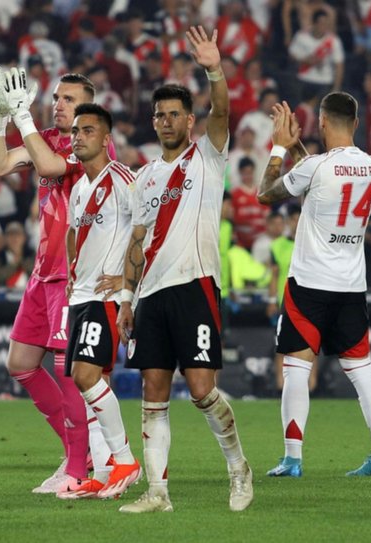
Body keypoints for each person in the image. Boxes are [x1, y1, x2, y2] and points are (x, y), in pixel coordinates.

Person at [115, 26, 253, 514]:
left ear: (190, 121)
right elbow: (137, 241)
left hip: (194, 287)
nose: (167, 121)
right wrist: (126, 300)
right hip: (150, 295)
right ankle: (158, 493)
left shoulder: (208, 157)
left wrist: (214, 68)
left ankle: (239, 469)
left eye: (175, 114)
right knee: (153, 394)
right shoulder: (143, 177)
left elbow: (224, 109)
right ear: (153, 122)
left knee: (201, 390)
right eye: (160, 115)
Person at [257, 92, 371, 478]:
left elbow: (265, 195)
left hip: (309, 283)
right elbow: (321, 173)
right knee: (361, 369)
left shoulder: (317, 166)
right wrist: (298, 148)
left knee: (296, 369)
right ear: (355, 124)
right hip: (351, 285)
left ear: (321, 123)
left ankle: (292, 459)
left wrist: (278, 147)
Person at [0, 68, 107, 493]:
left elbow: (52, 166)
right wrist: (0, 119)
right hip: (41, 273)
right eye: (56, 97)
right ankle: (81, 451)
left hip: (72, 276)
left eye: (68, 99)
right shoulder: (46, 140)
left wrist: (23, 118)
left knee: (66, 368)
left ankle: (77, 467)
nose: (58, 104)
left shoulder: (87, 147)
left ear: (87, 109)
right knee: (19, 364)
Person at [63, 103, 142, 499]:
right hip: (81, 295)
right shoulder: (79, 188)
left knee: (86, 376)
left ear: (107, 139)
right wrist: (71, 271)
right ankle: (107, 467)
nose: (78, 136)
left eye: (89, 130)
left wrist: (128, 284)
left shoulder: (123, 179)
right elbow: (72, 235)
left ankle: (125, 459)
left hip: (104, 298)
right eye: (76, 130)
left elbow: (146, 229)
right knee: (90, 384)